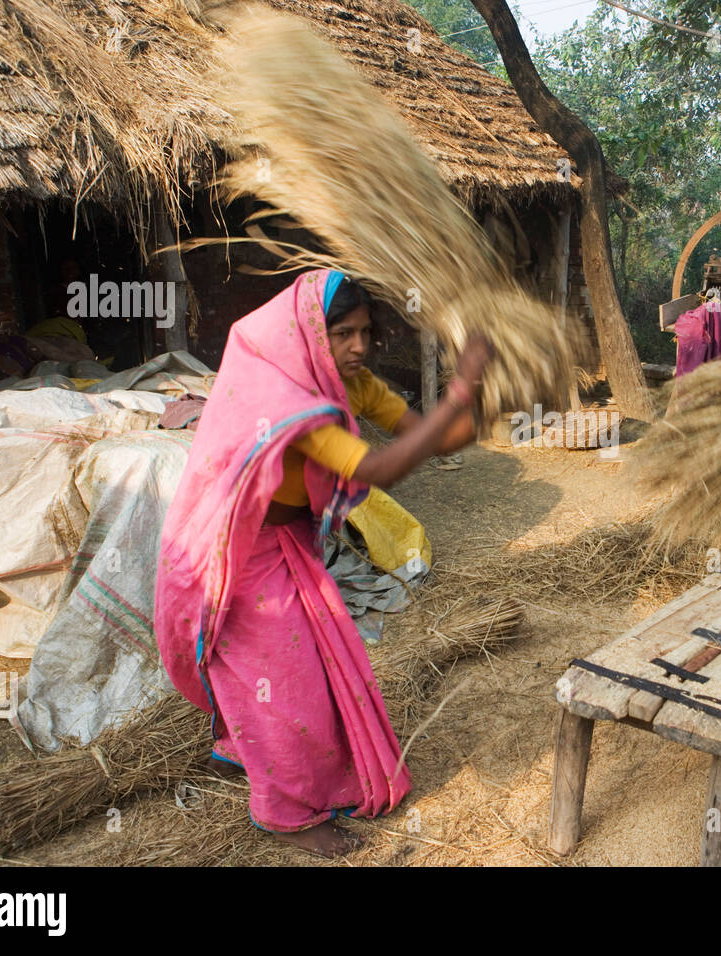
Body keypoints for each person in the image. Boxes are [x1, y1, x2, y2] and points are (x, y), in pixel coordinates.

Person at [154, 269, 490, 857]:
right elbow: (377, 470)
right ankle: (289, 814)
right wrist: (458, 390)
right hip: (236, 555)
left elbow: (441, 438)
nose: (358, 347)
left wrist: (481, 389)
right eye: (342, 333)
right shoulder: (289, 398)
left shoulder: (349, 384)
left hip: (291, 545)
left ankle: (247, 752)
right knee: (290, 680)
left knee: (290, 667)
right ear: (312, 333)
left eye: (365, 333)